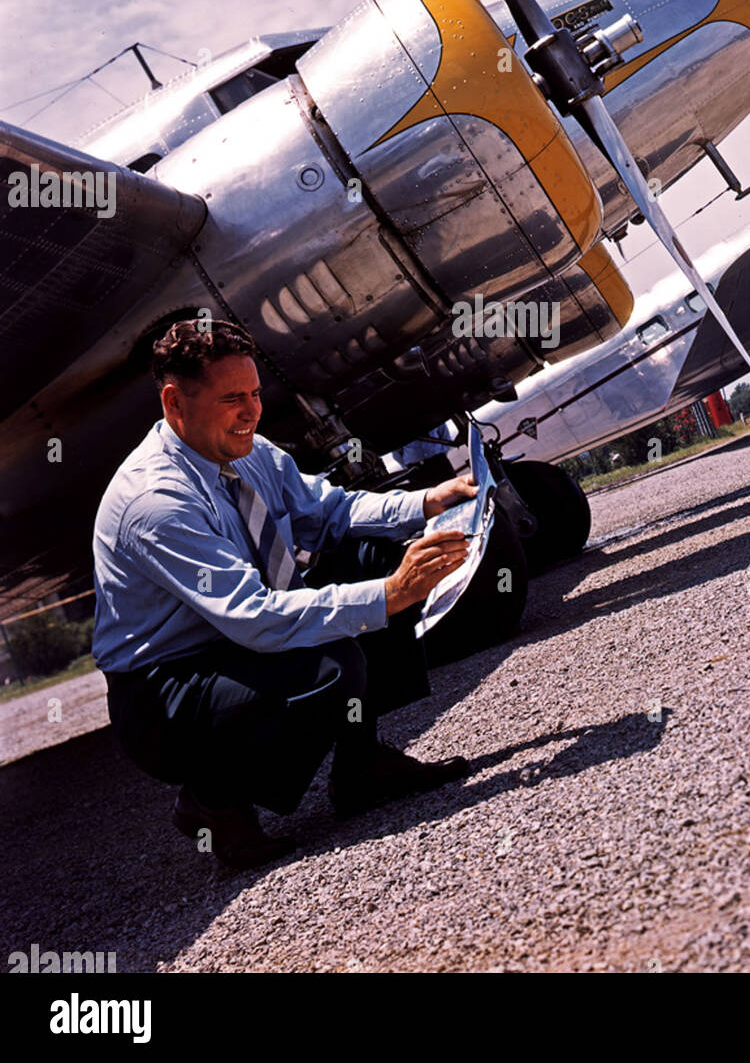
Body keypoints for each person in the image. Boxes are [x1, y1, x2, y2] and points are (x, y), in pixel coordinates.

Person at [92, 318, 478, 870]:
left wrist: (424, 503)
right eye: (232, 399)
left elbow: (330, 512)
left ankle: (361, 767)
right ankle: (214, 802)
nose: (252, 412)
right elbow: (256, 618)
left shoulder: (245, 449)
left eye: (254, 394)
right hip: (166, 690)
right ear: (175, 404)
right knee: (333, 662)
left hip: (231, 641)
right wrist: (389, 596)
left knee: (377, 557)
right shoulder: (156, 501)